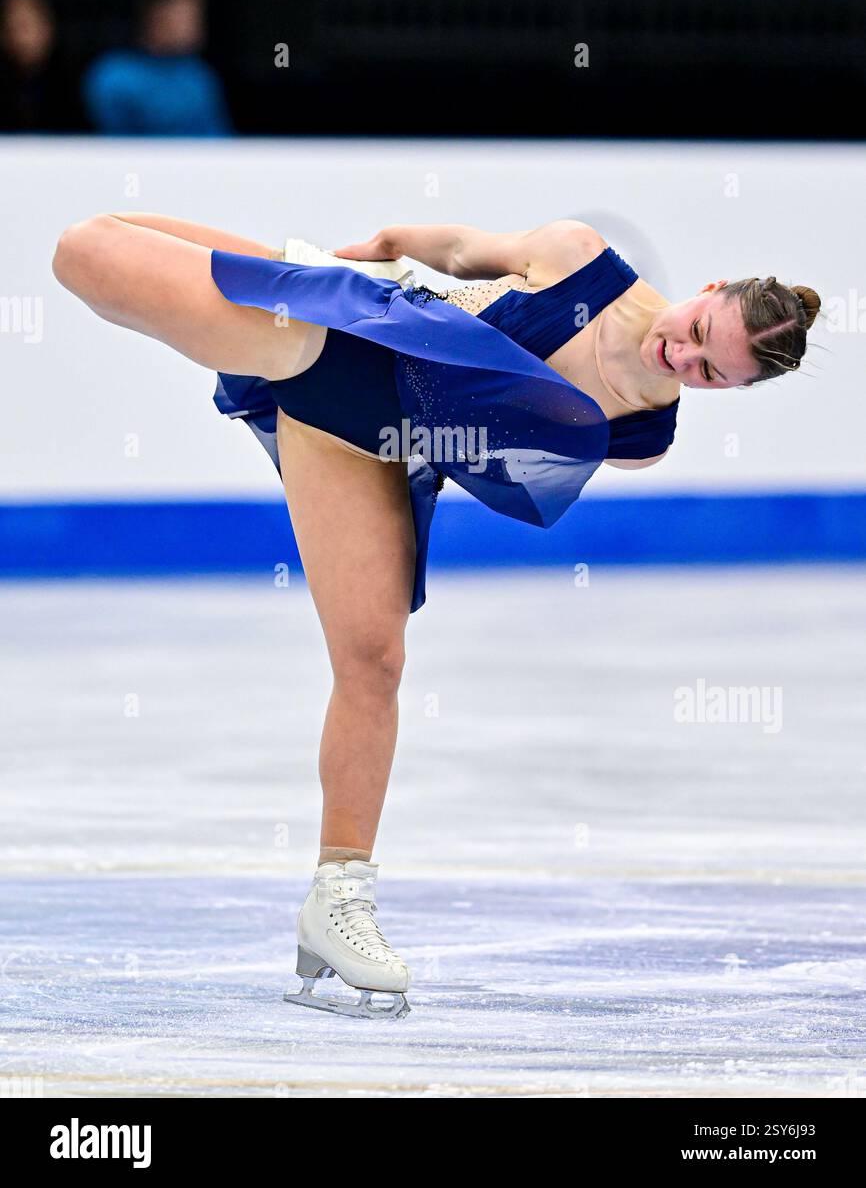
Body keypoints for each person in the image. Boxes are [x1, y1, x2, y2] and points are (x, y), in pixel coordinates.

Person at [51, 213, 820, 1018]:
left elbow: (491, 448)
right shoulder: (581, 259)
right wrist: (353, 255)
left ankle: (337, 898)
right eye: (698, 331)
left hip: (364, 447)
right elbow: (436, 251)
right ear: (704, 291)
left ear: (730, 392)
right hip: (333, 334)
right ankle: (267, 268)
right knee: (85, 251)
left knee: (374, 661)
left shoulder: (641, 437)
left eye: (710, 373)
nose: (684, 357)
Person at [83, 0, 232, 137]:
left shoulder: (199, 75)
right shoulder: (114, 74)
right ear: (156, 14)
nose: (197, 24)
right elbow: (116, 144)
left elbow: (219, 139)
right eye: (188, 14)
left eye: (199, 14)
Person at [0, 0, 85, 133]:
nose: (20, 38)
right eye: (11, 28)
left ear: (47, 28)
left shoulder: (75, 77)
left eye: (25, 27)